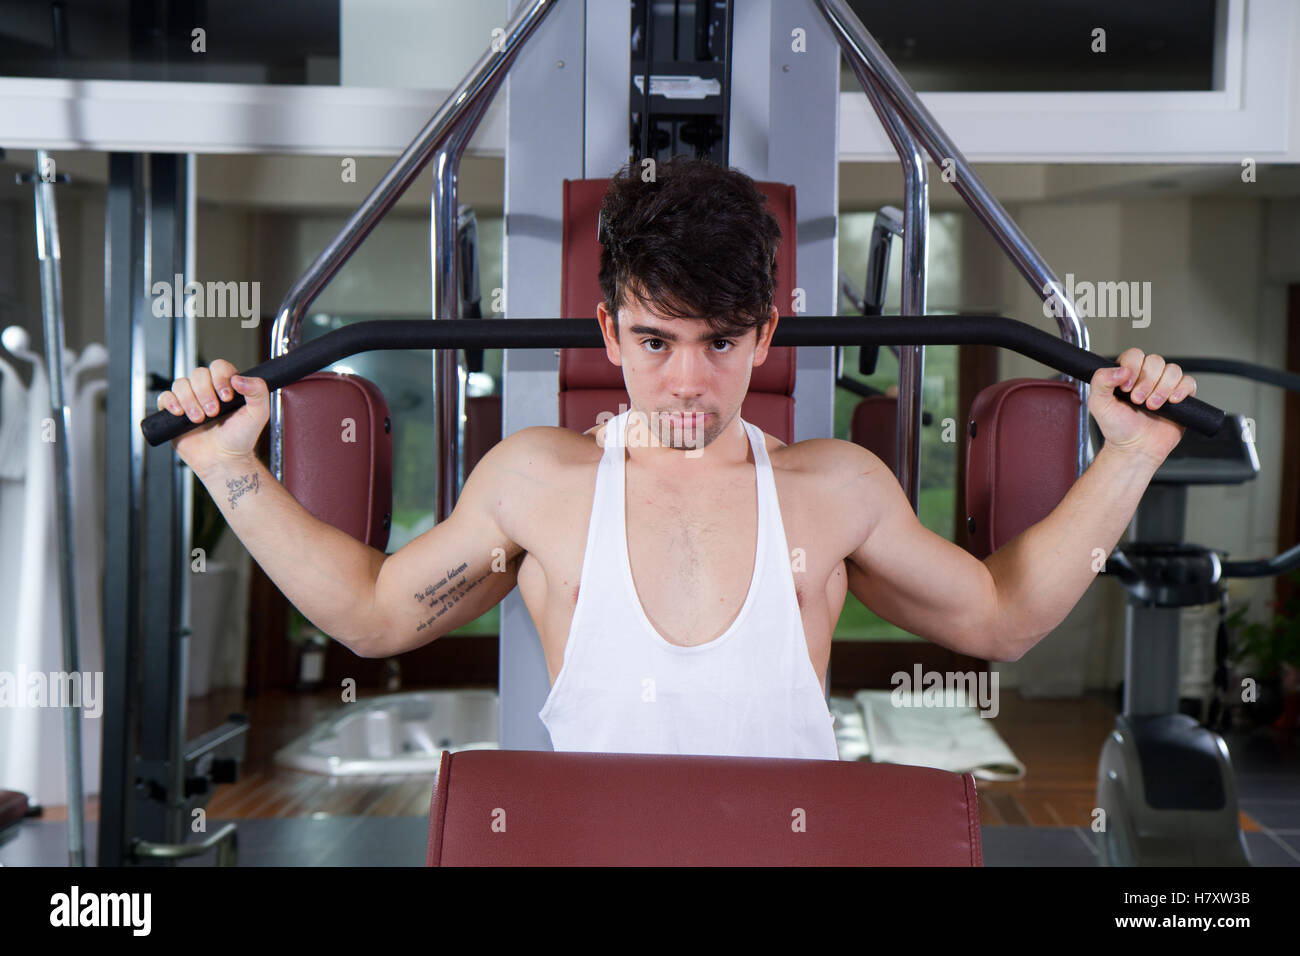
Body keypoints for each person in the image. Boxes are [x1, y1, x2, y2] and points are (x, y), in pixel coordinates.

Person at [158, 156, 1197, 760]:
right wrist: (229, 467)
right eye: (655, 342)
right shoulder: (538, 481)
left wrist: (1131, 454)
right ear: (608, 335)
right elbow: (374, 613)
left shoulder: (835, 488)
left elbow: (1001, 618)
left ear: (768, 335)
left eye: (722, 342)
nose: (689, 381)